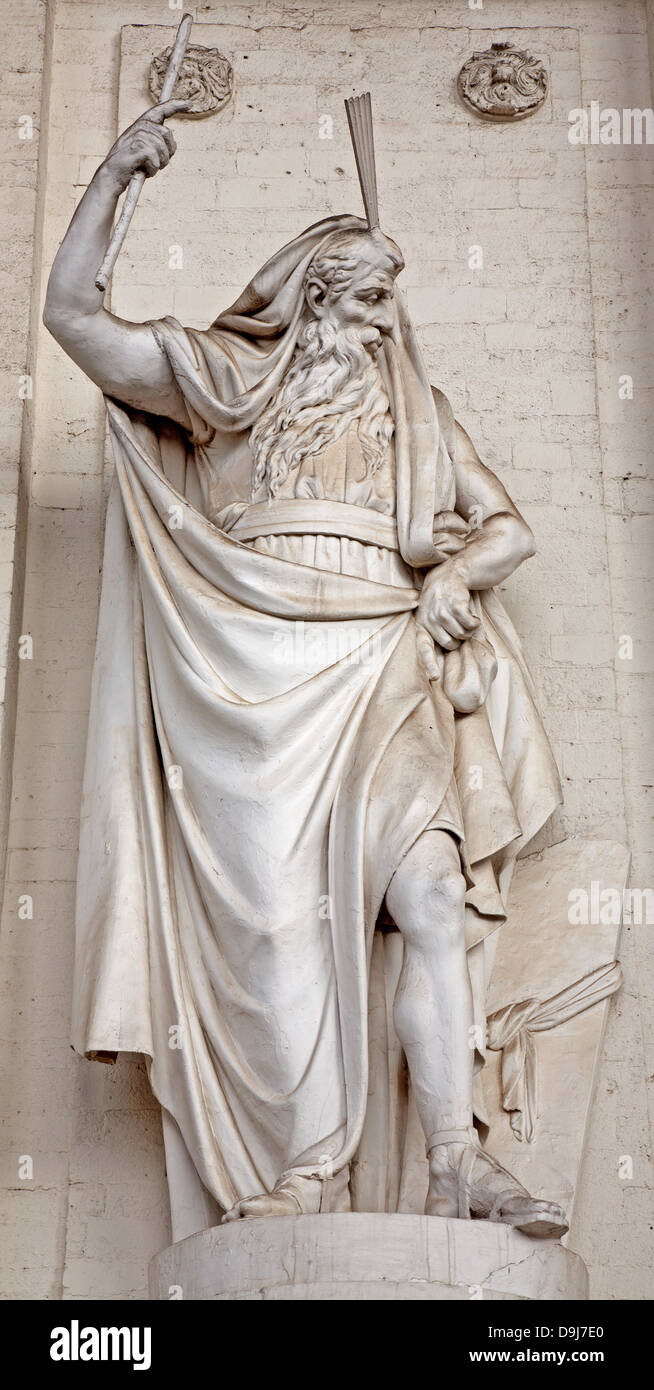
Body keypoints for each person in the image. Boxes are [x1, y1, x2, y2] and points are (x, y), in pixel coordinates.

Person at [44, 103, 567, 1240]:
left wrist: (453, 577)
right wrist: (117, 170)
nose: (387, 322)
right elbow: (73, 317)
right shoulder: (223, 385)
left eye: (394, 301)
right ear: (313, 296)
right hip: (254, 675)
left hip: (384, 652)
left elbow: (506, 528)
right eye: (368, 298)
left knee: (427, 892)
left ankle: (454, 1157)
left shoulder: (416, 410)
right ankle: (312, 1164)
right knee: (278, 925)